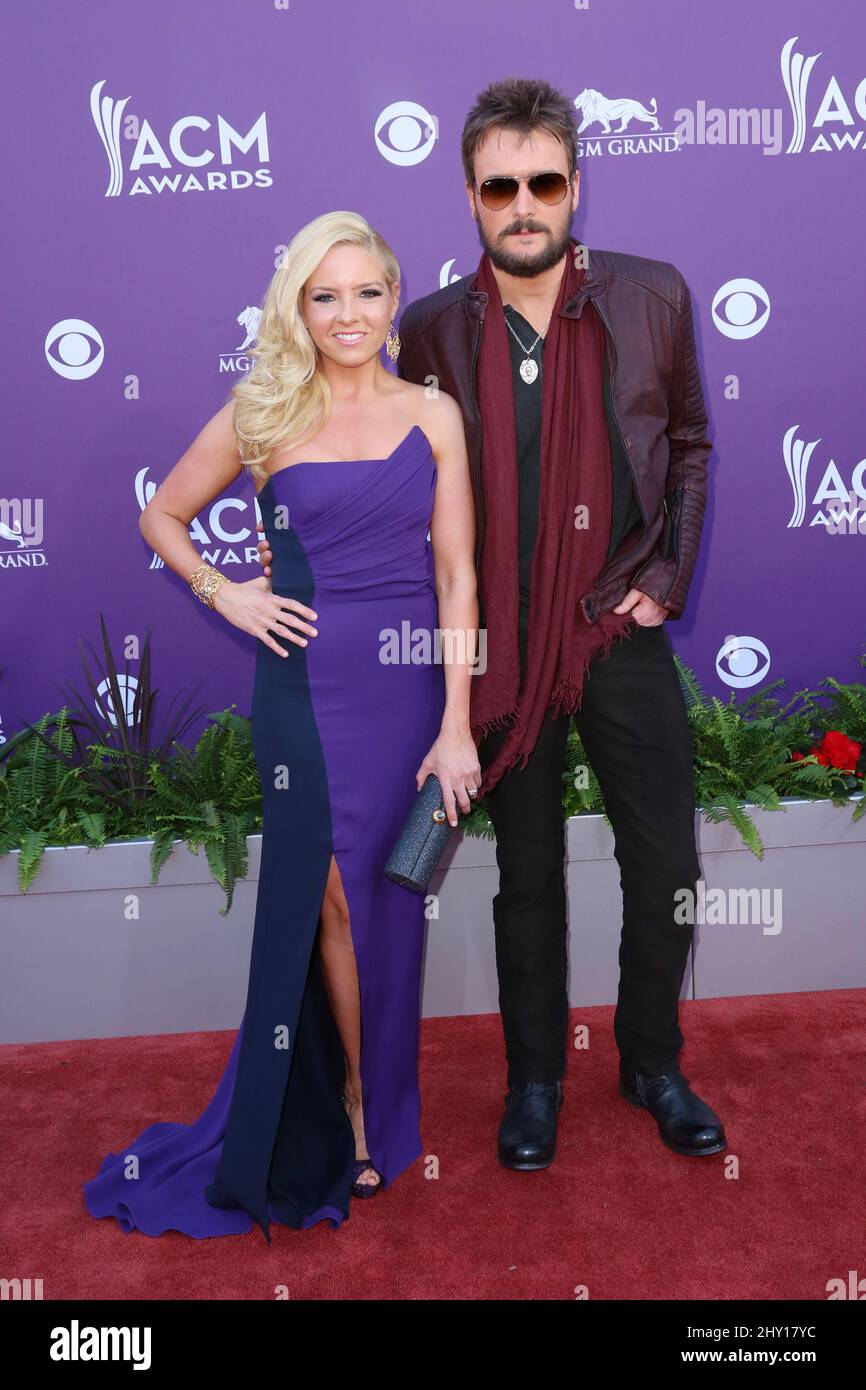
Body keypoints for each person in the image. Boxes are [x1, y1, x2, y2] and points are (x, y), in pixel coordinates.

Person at [259, 76, 725, 1172]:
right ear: (468, 196)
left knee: (663, 862)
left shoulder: (651, 297)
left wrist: (665, 569)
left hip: (617, 626)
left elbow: (692, 443)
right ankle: (533, 1081)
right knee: (525, 876)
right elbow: (382, 469)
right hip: (498, 649)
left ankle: (651, 1061)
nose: (524, 203)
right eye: (499, 185)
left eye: (544, 181)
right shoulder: (425, 332)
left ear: (574, 186)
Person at [82, 211, 480, 1243]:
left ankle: (385, 1101)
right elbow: (159, 515)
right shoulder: (263, 413)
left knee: (393, 897)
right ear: (297, 307)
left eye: (365, 292)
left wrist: (457, 723)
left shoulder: (433, 415)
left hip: (405, 698)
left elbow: (455, 574)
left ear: (394, 298)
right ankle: (351, 1106)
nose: (347, 313)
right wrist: (230, 594)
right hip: (300, 688)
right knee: (335, 898)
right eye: (324, 295)